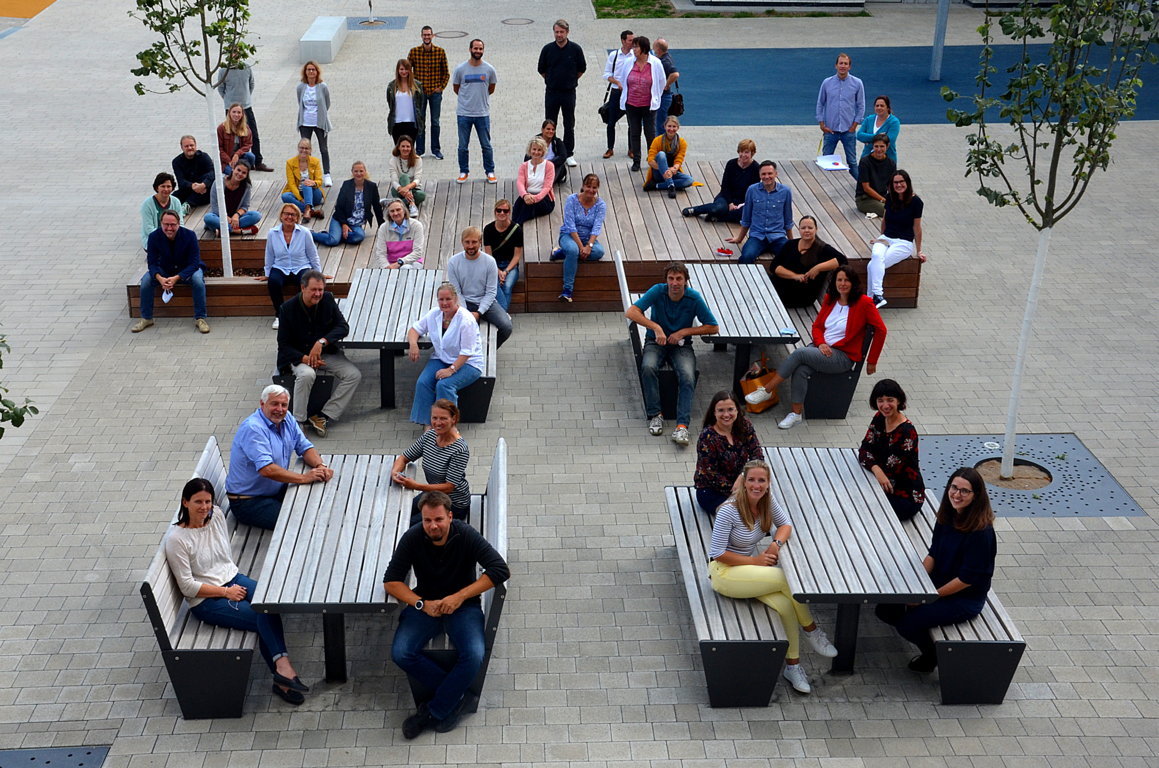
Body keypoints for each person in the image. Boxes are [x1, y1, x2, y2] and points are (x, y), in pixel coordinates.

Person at [165, 478, 310, 706]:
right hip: (206, 600)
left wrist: (231, 584)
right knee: (261, 616)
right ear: (185, 502)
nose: (204, 507)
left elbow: (223, 559)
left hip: (233, 578)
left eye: (208, 501)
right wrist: (225, 593)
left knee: (269, 604)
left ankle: (282, 673)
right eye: (197, 502)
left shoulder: (217, 516)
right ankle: (283, 671)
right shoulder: (177, 540)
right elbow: (187, 587)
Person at [383, 490, 510, 738]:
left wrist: (459, 596)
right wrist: (421, 604)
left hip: (464, 606)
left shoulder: (466, 535)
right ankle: (456, 696)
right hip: (426, 603)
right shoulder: (412, 537)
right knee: (400, 653)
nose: (433, 526)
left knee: (474, 655)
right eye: (427, 520)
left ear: (450, 516)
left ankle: (433, 710)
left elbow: (500, 569)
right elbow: (391, 582)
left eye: (438, 519)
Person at [708, 460, 838, 694]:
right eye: (752, 480)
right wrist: (756, 561)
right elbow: (717, 553)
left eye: (761, 480)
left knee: (787, 606)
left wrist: (776, 544)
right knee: (783, 579)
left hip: (748, 574)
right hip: (724, 574)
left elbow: (786, 525)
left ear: (768, 483)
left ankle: (793, 666)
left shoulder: (767, 502)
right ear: (744, 482)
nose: (756, 485)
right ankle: (812, 630)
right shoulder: (729, 510)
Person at [875, 468, 996, 674]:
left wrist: (928, 597)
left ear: (976, 496)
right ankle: (924, 625)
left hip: (963, 598)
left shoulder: (981, 533)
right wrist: (916, 585)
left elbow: (966, 579)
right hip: (937, 583)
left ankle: (932, 656)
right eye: (954, 488)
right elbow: (933, 555)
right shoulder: (948, 515)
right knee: (885, 608)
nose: (957, 495)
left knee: (908, 624)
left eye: (965, 491)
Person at [745, 266, 887, 429]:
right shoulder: (830, 299)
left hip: (843, 356)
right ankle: (796, 414)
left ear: (853, 283)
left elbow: (882, 330)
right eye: (839, 280)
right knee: (801, 370)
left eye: (846, 280)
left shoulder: (864, 303)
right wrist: (820, 343)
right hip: (822, 349)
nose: (842, 283)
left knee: (799, 354)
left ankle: (767, 389)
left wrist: (872, 361)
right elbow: (817, 326)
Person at [626, 262, 719, 446]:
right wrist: (656, 327)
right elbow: (632, 311)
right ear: (666, 280)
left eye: (679, 279)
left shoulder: (693, 298)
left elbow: (713, 326)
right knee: (648, 367)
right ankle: (655, 414)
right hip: (655, 342)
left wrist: (684, 332)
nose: (674, 283)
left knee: (687, 376)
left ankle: (682, 426)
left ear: (685, 281)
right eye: (671, 279)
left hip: (681, 346)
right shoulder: (658, 291)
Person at [224, 384, 333, 529]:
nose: (280, 410)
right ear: (262, 404)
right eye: (274, 404)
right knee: (299, 524)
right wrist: (304, 478)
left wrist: (320, 466)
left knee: (319, 506)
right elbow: (266, 470)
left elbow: (305, 446)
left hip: (275, 490)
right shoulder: (253, 429)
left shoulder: (286, 418)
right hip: (249, 501)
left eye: (284, 405)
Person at [276, 270, 362, 437]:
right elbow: (283, 345)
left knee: (354, 375)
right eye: (314, 290)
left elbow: (343, 327)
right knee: (307, 375)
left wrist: (321, 342)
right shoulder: (287, 309)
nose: (318, 294)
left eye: (320, 290)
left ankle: (323, 416)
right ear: (303, 288)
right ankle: (298, 421)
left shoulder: (328, 299)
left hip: (325, 353)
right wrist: (305, 358)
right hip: (299, 356)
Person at [406, 283, 485, 425]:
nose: (444, 303)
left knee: (444, 385)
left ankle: (447, 425)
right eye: (441, 299)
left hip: (468, 363)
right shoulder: (434, 314)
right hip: (442, 358)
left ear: (456, 299)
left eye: (448, 299)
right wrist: (413, 344)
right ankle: (428, 426)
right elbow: (414, 330)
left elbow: (467, 352)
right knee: (423, 383)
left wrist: (451, 370)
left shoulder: (466, 320)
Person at [391, 400, 471, 524]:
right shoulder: (429, 436)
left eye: (443, 418)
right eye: (434, 418)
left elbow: (449, 487)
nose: (437, 423)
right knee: (398, 514)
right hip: (434, 494)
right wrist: (395, 473)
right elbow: (404, 457)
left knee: (407, 525)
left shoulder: (460, 449)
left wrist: (416, 486)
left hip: (454, 503)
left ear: (453, 419)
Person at [858, 378, 926, 522]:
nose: (885, 405)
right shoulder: (879, 418)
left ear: (899, 401)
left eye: (890, 400)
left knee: (862, 511)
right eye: (880, 400)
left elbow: (892, 470)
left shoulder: (907, 432)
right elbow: (864, 449)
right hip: (880, 483)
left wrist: (876, 467)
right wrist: (876, 469)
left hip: (905, 495)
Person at [131, 209, 209, 334]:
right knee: (145, 281)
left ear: (178, 224)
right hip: (164, 269)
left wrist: (177, 277)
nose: (169, 228)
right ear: (161, 224)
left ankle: (200, 318)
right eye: (166, 224)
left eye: (172, 225)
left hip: (187, 269)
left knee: (198, 281)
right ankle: (146, 318)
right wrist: (160, 278)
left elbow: (194, 263)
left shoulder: (190, 235)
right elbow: (151, 263)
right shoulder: (153, 237)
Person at [694, 391, 761, 515]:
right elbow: (710, 473)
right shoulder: (707, 437)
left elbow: (757, 455)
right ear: (714, 412)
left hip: (743, 484)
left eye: (730, 409)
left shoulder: (745, 425)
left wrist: (743, 476)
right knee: (741, 516)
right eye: (721, 410)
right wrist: (738, 491)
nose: (726, 414)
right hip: (713, 491)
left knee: (765, 509)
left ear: (737, 410)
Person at [868, 169, 926, 308]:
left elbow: (917, 228)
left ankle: (872, 297)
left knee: (873, 265)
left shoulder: (916, 202)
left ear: (907, 183)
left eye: (901, 182)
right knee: (876, 255)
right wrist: (880, 237)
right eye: (895, 182)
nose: (898, 185)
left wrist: (919, 251)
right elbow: (885, 220)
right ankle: (877, 296)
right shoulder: (890, 197)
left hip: (903, 242)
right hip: (886, 238)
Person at [447, 227, 512, 346]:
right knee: (457, 328)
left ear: (480, 242)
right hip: (463, 302)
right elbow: (456, 291)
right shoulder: (453, 262)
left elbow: (491, 292)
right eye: (467, 242)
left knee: (506, 327)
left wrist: (479, 312)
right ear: (462, 242)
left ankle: (486, 350)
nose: (470, 246)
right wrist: (466, 313)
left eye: (474, 242)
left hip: (486, 301)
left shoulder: (490, 262)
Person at [262, 203, 322, 328]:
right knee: (273, 282)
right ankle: (279, 315)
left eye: (293, 214)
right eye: (286, 214)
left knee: (305, 283)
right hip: (280, 266)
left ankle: (303, 314)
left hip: (301, 265)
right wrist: (267, 273)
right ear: (281, 216)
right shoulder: (273, 233)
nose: (289, 217)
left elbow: (313, 254)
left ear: (297, 217)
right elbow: (269, 254)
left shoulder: (304, 233)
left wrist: (318, 274)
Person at [769, 215, 848, 308]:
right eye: (803, 228)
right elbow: (774, 266)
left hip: (801, 295)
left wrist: (818, 268)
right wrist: (795, 276)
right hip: (782, 285)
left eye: (810, 228)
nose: (806, 230)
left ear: (816, 229)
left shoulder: (822, 248)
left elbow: (842, 259)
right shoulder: (790, 244)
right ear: (799, 230)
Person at [726, 160, 795, 263]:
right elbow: (746, 218)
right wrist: (740, 238)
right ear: (759, 175)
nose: (767, 177)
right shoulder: (752, 190)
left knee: (791, 258)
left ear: (776, 174)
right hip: (757, 237)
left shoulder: (785, 191)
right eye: (763, 174)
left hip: (778, 237)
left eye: (770, 173)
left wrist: (791, 243)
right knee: (746, 257)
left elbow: (788, 220)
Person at [552, 173, 607, 303]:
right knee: (573, 251)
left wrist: (589, 246)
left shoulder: (600, 205)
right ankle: (567, 290)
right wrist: (581, 247)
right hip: (568, 236)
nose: (591, 190)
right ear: (583, 186)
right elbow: (570, 226)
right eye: (588, 186)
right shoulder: (572, 200)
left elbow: (597, 227)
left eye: (594, 188)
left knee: (599, 252)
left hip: (587, 238)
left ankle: (560, 253)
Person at [537, 18, 585, 166]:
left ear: (567, 32)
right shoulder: (547, 49)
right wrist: (552, 80)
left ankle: (569, 153)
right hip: (552, 92)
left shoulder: (575, 49)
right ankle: (552, 151)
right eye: (556, 32)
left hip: (569, 93)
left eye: (561, 32)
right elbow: (541, 69)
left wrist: (569, 80)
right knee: (550, 124)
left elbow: (581, 69)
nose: (559, 35)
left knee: (569, 123)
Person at [452, 39, 498, 184]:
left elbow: (491, 88)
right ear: (470, 49)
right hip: (464, 114)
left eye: (480, 49)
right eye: (475, 48)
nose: (477, 51)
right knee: (463, 146)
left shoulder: (489, 69)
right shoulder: (460, 69)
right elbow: (456, 88)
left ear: (483, 50)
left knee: (486, 145)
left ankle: (490, 171)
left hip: (482, 114)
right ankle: (463, 171)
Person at [681, 138, 759, 223]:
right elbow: (725, 186)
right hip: (727, 197)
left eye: (746, 152)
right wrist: (730, 203)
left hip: (743, 200)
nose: (743, 155)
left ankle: (717, 217)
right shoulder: (731, 164)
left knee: (747, 215)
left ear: (752, 153)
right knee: (717, 208)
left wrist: (741, 205)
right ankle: (695, 210)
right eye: (741, 151)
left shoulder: (756, 168)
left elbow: (753, 191)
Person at [215, 60, 274, 172]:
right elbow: (220, 88)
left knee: (253, 134)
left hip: (246, 107)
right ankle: (231, 160)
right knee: (230, 134)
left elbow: (251, 84)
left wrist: (246, 99)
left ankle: (258, 162)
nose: (234, 55)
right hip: (230, 107)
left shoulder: (247, 67)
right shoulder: (223, 70)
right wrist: (229, 101)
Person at [815, 52, 865, 180]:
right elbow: (820, 103)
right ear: (836, 65)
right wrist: (821, 124)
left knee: (852, 162)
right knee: (825, 161)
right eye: (840, 63)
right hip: (830, 130)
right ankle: (823, 183)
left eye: (846, 64)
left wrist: (854, 125)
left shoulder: (857, 83)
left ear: (850, 67)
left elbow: (861, 105)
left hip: (848, 130)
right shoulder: (827, 83)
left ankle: (859, 187)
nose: (843, 66)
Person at [620, 35, 664, 174]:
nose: (633, 49)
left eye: (636, 47)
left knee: (650, 133)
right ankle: (636, 161)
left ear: (644, 48)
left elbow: (661, 82)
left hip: (648, 105)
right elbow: (623, 79)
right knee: (634, 132)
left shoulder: (655, 63)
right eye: (633, 46)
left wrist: (655, 97)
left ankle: (652, 160)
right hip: (632, 104)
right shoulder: (628, 62)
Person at [313, 161, 384, 247]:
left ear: (365, 172)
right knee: (333, 241)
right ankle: (312, 234)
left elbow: (377, 207)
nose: (358, 173)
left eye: (361, 171)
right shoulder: (347, 185)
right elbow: (338, 207)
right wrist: (344, 224)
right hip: (340, 219)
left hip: (356, 223)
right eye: (356, 171)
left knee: (359, 236)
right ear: (352, 172)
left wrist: (382, 227)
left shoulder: (371, 186)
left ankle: (336, 235)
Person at [407, 25, 450, 159]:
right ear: (421, 36)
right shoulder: (414, 52)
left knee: (435, 122)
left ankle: (436, 149)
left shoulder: (440, 52)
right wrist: (413, 88)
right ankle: (420, 150)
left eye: (429, 35)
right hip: (420, 94)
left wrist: (441, 87)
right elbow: (407, 71)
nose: (426, 37)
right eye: (424, 35)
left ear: (433, 36)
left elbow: (446, 73)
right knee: (420, 122)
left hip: (435, 93)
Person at [296, 61, 333, 187]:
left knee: (323, 148)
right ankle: (306, 174)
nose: (311, 72)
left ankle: (327, 174)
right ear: (305, 72)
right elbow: (300, 102)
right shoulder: (301, 87)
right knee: (305, 149)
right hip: (305, 122)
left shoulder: (322, 86)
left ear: (317, 72)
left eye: (313, 70)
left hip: (319, 123)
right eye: (308, 70)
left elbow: (327, 103)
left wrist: (321, 114)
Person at [483, 200, 523, 312]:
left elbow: (516, 256)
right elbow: (488, 254)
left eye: (505, 211)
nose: (502, 213)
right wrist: (497, 270)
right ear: (495, 212)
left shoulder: (517, 230)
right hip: (493, 265)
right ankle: (502, 315)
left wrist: (505, 271)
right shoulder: (488, 229)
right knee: (494, 287)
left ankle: (502, 315)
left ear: (509, 212)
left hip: (510, 266)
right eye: (498, 210)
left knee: (507, 287)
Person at [204, 160, 262, 237]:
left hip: (236, 218)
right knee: (208, 218)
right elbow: (214, 206)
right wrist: (225, 217)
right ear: (233, 169)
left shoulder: (247, 187)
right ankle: (236, 231)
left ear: (246, 175)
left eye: (244, 173)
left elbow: (245, 207)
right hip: (219, 216)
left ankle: (222, 230)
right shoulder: (218, 182)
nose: (240, 174)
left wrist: (236, 215)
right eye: (238, 170)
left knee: (256, 215)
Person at [601, 30, 634, 159]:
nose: (632, 43)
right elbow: (607, 74)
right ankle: (610, 148)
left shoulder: (634, 56)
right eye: (630, 40)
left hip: (631, 92)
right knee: (611, 122)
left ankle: (632, 149)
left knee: (632, 122)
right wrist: (617, 82)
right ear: (623, 41)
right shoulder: (614, 55)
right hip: (616, 92)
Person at [643, 115, 693, 199]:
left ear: (678, 128)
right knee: (661, 154)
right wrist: (664, 170)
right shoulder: (657, 140)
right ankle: (670, 185)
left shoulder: (682, 142)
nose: (671, 129)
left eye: (674, 126)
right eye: (669, 126)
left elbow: (679, 159)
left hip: (672, 171)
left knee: (689, 180)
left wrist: (672, 169)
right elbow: (650, 160)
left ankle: (656, 186)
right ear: (664, 127)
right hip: (658, 172)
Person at [512, 137, 556, 225]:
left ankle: (517, 227)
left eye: (539, 150)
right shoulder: (524, 166)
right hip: (527, 196)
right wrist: (525, 195)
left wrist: (535, 198)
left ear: (543, 151)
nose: (536, 152)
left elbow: (548, 187)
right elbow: (520, 182)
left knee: (527, 208)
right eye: (534, 149)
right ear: (530, 150)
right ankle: (513, 225)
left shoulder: (549, 165)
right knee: (516, 208)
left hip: (544, 198)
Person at [281, 138, 325, 220]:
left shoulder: (316, 161)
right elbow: (291, 184)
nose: (304, 150)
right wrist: (300, 198)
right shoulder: (290, 163)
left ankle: (307, 208)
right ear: (298, 148)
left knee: (306, 183)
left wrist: (313, 183)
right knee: (285, 196)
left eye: (306, 148)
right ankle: (310, 210)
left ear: (310, 150)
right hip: (298, 194)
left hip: (313, 193)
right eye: (301, 148)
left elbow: (319, 180)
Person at [373, 199, 426, 269]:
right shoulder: (383, 228)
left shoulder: (416, 225)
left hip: (412, 262)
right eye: (392, 211)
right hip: (391, 264)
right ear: (389, 213)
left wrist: (400, 262)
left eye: (398, 210)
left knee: (405, 268)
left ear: (404, 210)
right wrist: (386, 267)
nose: (395, 213)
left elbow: (417, 252)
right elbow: (380, 253)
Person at [387, 58, 427, 147]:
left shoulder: (417, 86)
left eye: (406, 69)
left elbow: (420, 104)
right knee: (398, 150)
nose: (404, 72)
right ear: (397, 70)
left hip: (412, 123)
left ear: (410, 70)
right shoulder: (391, 86)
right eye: (401, 69)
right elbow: (390, 103)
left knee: (409, 150)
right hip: (396, 123)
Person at [140, 172, 184, 250]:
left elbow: (180, 223)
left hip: (173, 236)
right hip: (154, 238)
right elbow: (148, 229)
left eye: (168, 186)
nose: (166, 189)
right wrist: (166, 237)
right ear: (157, 188)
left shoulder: (176, 201)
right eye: (163, 186)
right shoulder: (147, 204)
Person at [855, 135, 896, 219]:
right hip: (865, 199)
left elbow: (890, 185)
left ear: (887, 146)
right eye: (876, 146)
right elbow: (866, 188)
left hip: (882, 197)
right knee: (890, 212)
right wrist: (884, 200)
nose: (879, 149)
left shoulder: (891, 163)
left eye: (882, 146)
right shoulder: (865, 162)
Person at [385, 135, 425, 217]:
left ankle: (393, 202)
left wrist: (407, 188)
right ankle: (411, 204)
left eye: (408, 146)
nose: (405, 149)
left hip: (413, 188)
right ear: (398, 147)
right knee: (404, 177)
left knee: (421, 196)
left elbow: (418, 179)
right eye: (403, 146)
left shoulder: (418, 160)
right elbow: (394, 181)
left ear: (411, 148)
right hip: (398, 189)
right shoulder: (393, 160)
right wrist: (402, 189)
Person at [172, 135, 215, 208]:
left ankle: (187, 205)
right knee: (173, 198)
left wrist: (203, 184)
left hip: (205, 189)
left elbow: (213, 173)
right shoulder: (176, 161)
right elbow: (181, 181)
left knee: (207, 179)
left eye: (191, 145)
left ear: (195, 145)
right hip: (188, 189)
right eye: (186, 146)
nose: (189, 148)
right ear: (182, 147)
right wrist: (192, 186)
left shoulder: (204, 157)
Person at [856, 95, 900, 164]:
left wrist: (868, 139)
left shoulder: (894, 122)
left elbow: (889, 140)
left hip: (887, 160)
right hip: (867, 159)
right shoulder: (869, 119)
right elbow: (859, 135)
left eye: (882, 106)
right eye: (877, 105)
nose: (879, 108)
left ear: (888, 108)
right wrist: (878, 136)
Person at [216, 103, 255, 176]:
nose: (236, 115)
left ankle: (245, 171)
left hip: (239, 157)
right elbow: (219, 148)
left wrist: (237, 154)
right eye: (234, 112)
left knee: (251, 156)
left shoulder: (245, 128)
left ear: (242, 114)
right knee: (233, 173)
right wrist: (229, 161)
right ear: (229, 113)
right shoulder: (221, 128)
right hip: (225, 160)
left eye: (239, 112)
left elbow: (248, 145)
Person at [653, 38, 680, 135]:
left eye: (654, 47)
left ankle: (661, 145)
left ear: (658, 49)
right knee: (659, 122)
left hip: (663, 97)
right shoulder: (666, 57)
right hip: (663, 96)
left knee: (660, 123)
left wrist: (666, 85)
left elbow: (675, 74)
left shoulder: (665, 62)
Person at [531, 119, 568, 185]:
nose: (550, 131)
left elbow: (563, 156)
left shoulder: (557, 142)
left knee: (560, 165)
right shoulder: (535, 141)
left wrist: (548, 164)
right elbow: (528, 156)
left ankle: (548, 183)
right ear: (542, 129)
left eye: (553, 129)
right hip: (538, 167)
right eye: (548, 129)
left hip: (552, 167)